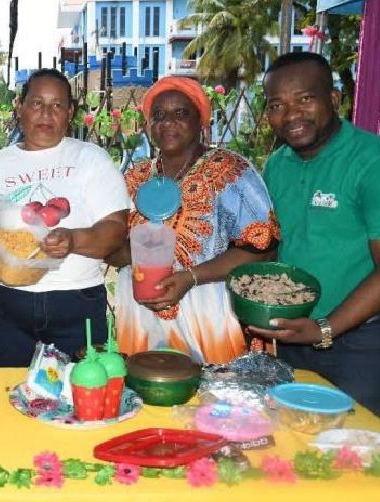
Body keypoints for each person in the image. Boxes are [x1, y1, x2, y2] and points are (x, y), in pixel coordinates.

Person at [255, 52, 380, 417]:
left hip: (362, 346)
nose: (291, 114)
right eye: (277, 105)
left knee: (348, 452)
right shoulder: (278, 165)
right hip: (292, 336)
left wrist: (324, 329)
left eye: (305, 99)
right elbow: (272, 249)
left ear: (335, 99)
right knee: (292, 443)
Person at [107, 77, 279, 364]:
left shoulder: (231, 172)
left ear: (202, 121)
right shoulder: (135, 178)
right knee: (146, 393)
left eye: (181, 113)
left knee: (215, 402)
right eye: (158, 115)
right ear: (148, 126)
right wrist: (134, 253)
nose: (168, 122)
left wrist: (190, 277)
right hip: (141, 312)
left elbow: (263, 249)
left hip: (210, 311)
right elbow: (114, 247)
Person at [0, 69, 130, 367]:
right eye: (37, 103)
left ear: (70, 112)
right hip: (8, 305)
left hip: (76, 304)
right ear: (20, 107)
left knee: (78, 395)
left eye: (57, 105)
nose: (46, 114)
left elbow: (114, 230)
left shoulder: (91, 159)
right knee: (12, 395)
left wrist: (73, 239)